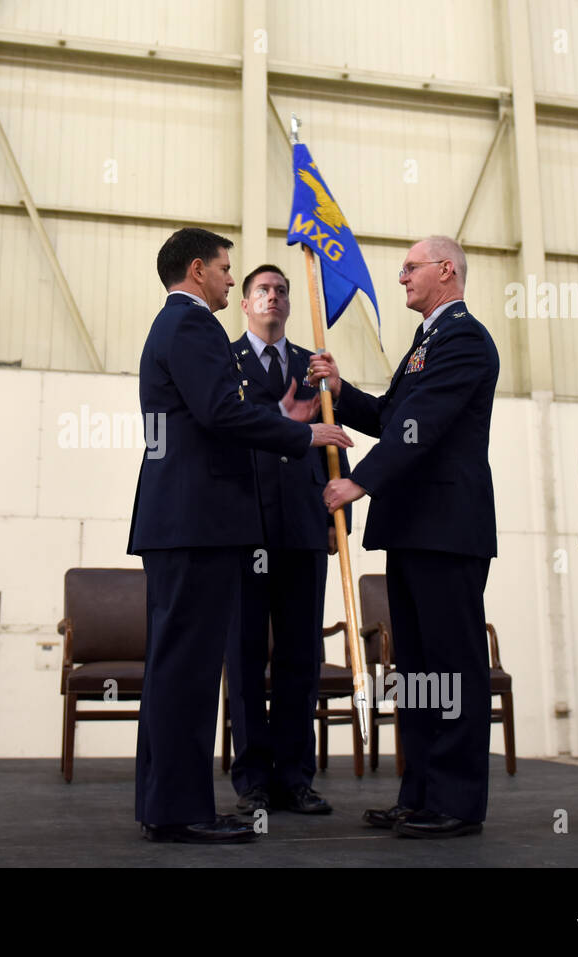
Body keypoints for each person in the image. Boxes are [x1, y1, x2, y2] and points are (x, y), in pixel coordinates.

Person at [128, 228, 352, 844]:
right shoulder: (195, 326)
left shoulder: (173, 326)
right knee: (190, 671)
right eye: (227, 269)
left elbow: (212, 411)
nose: (231, 278)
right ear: (197, 270)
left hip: (183, 521)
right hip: (197, 522)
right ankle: (181, 811)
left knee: (178, 669)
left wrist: (283, 420)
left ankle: (165, 805)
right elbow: (220, 412)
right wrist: (300, 434)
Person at [309, 235, 498, 838]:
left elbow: (426, 422)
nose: (400, 277)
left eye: (411, 267)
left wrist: (359, 482)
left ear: (447, 271)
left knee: (452, 667)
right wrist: (342, 394)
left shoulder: (466, 338)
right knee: (416, 670)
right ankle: (419, 792)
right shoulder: (428, 340)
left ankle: (458, 801)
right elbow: (393, 415)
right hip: (415, 529)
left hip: (448, 529)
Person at [226, 264, 350, 817]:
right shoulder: (226, 362)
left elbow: (330, 438)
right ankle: (252, 776)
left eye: (280, 291)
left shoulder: (312, 365)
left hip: (302, 523)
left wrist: (332, 515)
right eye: (261, 291)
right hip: (246, 524)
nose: (271, 297)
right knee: (247, 653)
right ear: (246, 304)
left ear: (290, 305)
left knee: (303, 656)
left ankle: (296, 775)